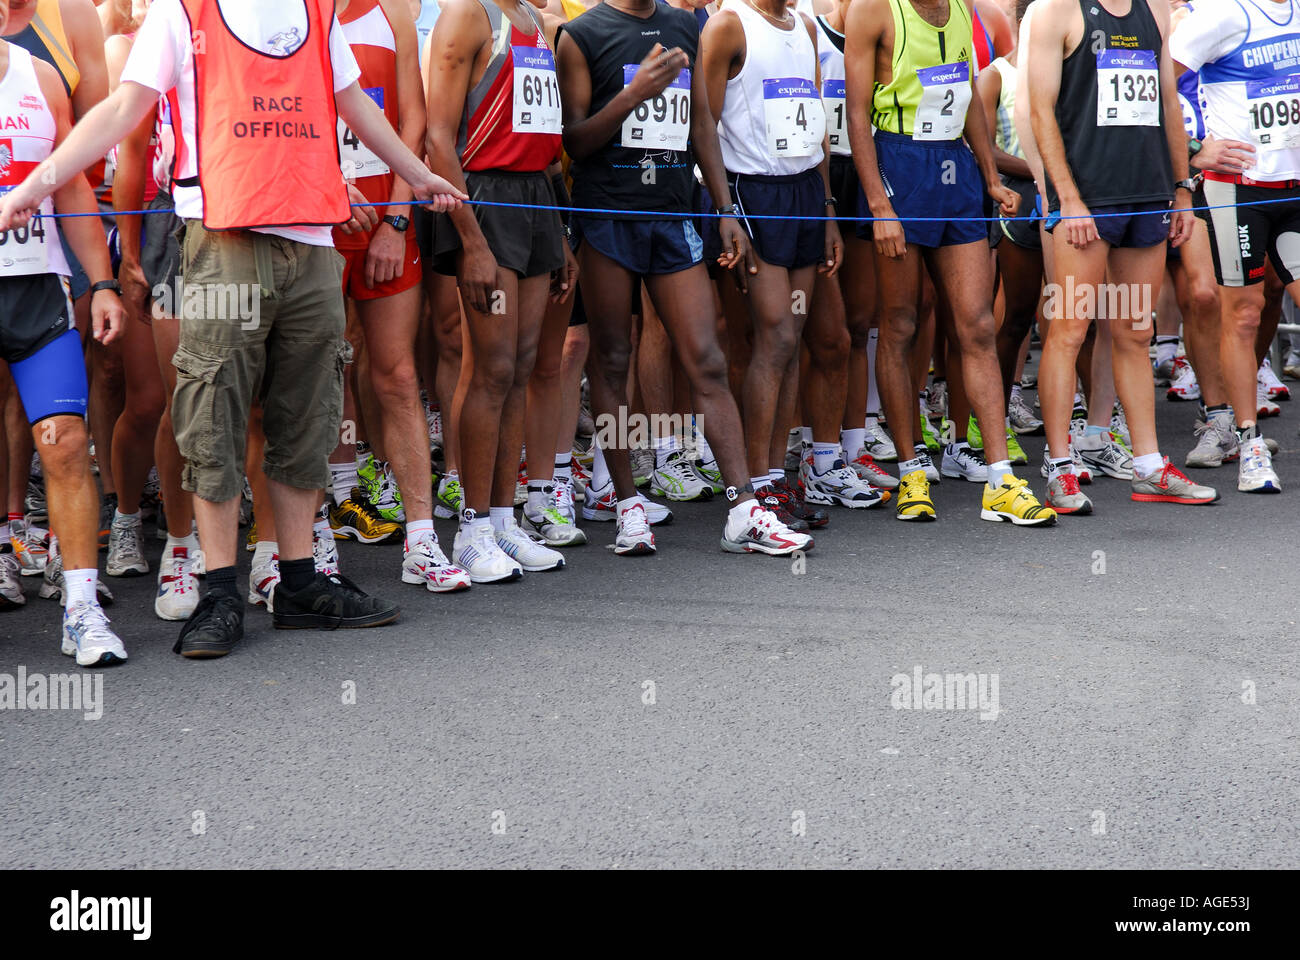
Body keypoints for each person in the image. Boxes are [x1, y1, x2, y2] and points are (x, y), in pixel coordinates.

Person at [0, 0, 468, 656]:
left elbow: (353, 101)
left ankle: (300, 581)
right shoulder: (181, 11)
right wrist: (33, 187)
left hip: (312, 241)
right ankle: (219, 590)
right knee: (212, 414)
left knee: (307, 414)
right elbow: (121, 110)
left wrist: (416, 176)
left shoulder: (316, 9)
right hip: (224, 240)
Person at [556, 0, 814, 555]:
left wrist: (725, 210)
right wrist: (632, 95)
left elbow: (701, 123)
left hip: (672, 215)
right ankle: (625, 504)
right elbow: (573, 142)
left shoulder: (681, 27)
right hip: (608, 216)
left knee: (707, 359)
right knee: (612, 358)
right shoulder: (581, 34)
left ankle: (744, 507)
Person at [846, 0, 1057, 525]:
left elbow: (967, 103)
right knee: (901, 324)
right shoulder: (874, 11)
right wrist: (878, 204)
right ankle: (911, 470)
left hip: (954, 170)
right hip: (898, 162)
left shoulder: (966, 12)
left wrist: (989, 177)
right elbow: (854, 111)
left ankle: (1001, 480)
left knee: (978, 325)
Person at [1028, 0, 1218, 508]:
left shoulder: (1154, 9)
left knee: (1134, 331)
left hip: (1146, 192)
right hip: (1088, 199)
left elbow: (1168, 103)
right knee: (1069, 328)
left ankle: (1149, 466)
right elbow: (1039, 108)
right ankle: (1060, 465)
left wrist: (1180, 189)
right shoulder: (1056, 11)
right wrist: (1067, 197)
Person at [426, 0, 575, 581]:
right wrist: (471, 240)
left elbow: (543, 138)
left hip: (535, 197)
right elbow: (439, 137)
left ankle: (505, 520)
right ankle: (470, 527)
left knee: (521, 365)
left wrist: (558, 230)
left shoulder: (538, 22)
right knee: (488, 368)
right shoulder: (468, 14)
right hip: (484, 198)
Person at [0, 0, 127, 664]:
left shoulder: (38, 77)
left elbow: (74, 186)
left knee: (65, 440)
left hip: (35, 286)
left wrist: (101, 283)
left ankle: (80, 608)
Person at [1170, 0, 1300, 493]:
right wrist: (1191, 148)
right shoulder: (1223, 14)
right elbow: (1161, 80)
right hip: (1237, 188)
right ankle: (1248, 445)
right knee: (1242, 314)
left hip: (1296, 188)